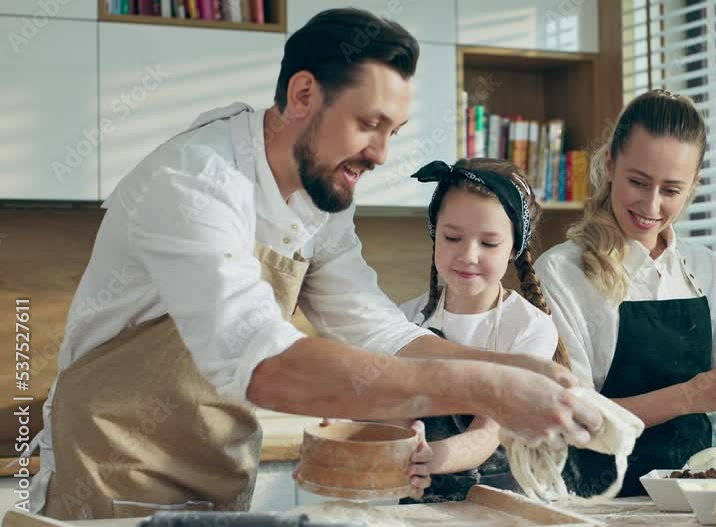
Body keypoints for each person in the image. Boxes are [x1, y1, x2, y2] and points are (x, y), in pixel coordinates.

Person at [32, 9, 600, 520]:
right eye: (369, 124)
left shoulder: (319, 201)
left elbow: (378, 332)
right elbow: (267, 365)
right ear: (304, 95)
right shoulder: (195, 184)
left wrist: (516, 369)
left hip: (219, 471)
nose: (381, 154)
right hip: (111, 477)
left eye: (392, 132)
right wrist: (487, 387)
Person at [535, 90, 716, 497]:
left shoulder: (702, 266)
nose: (651, 204)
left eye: (671, 190)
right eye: (637, 181)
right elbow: (576, 417)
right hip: (597, 501)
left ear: (693, 186)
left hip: (698, 499)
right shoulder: (562, 272)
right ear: (610, 165)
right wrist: (691, 395)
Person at [395, 159, 572, 502]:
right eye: (452, 237)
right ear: (434, 234)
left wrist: (430, 458)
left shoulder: (529, 329)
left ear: (513, 249)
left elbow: (489, 432)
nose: (468, 255)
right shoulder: (404, 321)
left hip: (505, 508)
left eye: (489, 243)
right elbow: (397, 420)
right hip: (419, 504)